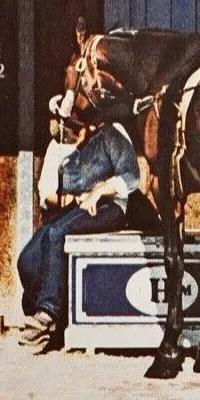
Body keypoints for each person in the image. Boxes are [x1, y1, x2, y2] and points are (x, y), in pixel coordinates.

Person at [18, 110, 143, 353]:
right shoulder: (76, 150)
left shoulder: (112, 132)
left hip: (111, 206)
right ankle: (55, 312)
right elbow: (55, 191)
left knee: (56, 234)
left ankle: (48, 314)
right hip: (80, 207)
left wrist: (99, 191)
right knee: (28, 259)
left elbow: (131, 176)